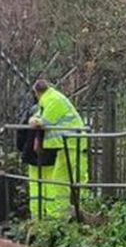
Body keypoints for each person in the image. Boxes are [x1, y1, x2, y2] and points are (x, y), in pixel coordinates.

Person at [29, 79, 88, 218]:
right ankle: (62, 214)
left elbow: (42, 122)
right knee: (64, 179)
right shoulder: (50, 99)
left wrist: (34, 120)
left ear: (37, 93)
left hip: (73, 143)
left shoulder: (53, 100)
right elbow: (40, 115)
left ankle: (64, 214)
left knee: (68, 179)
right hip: (68, 144)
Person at [16, 106, 57, 219]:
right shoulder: (54, 110)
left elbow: (21, 133)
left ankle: (36, 217)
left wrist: (24, 149)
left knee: (35, 186)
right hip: (51, 156)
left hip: (32, 156)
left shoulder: (31, 111)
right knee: (51, 185)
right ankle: (51, 217)